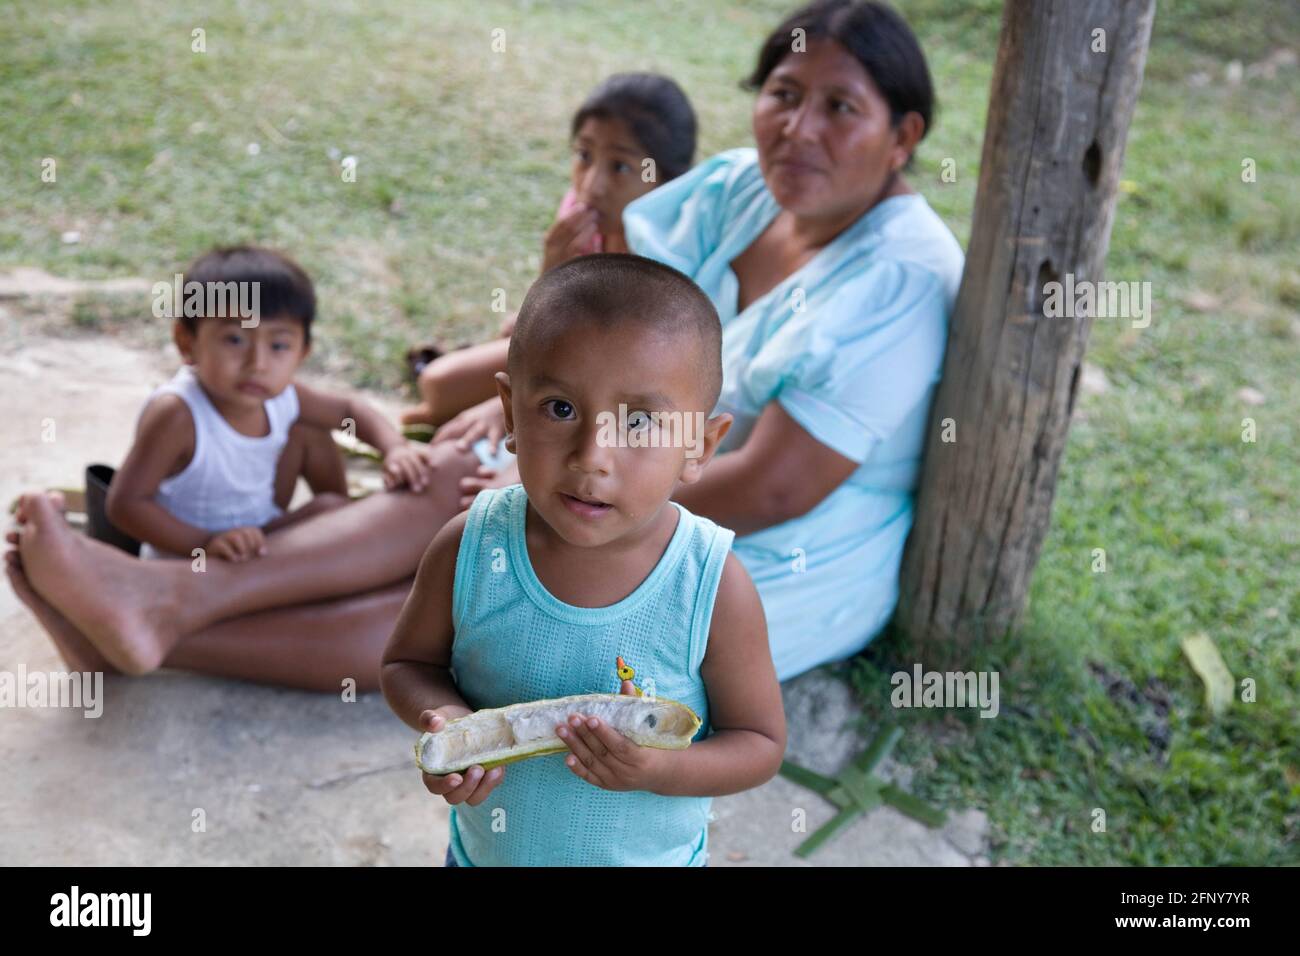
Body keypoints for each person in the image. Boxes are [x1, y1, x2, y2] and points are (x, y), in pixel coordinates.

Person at [457, 0, 967, 680]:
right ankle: (263, 574)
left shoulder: (901, 277)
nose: (799, 129)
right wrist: (518, 425)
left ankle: (267, 609)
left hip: (769, 551)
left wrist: (554, 502)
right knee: (450, 503)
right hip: (627, 473)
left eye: (840, 108)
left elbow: (774, 488)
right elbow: (610, 337)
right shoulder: (741, 189)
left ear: (902, 136)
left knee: (490, 605)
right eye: (783, 95)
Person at [381, 254, 785, 866]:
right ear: (511, 413)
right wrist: (451, 725)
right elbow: (407, 664)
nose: (593, 455)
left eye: (641, 421)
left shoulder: (710, 584)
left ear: (698, 446)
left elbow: (758, 744)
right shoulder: (471, 546)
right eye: (561, 409)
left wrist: (656, 769)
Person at [399, 72, 697, 431]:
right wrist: (550, 271)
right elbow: (544, 321)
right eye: (584, 155)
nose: (592, 185)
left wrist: (504, 404)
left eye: (620, 167)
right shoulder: (582, 217)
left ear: (670, 181)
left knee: (440, 389)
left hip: (601, 392)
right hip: (558, 350)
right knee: (438, 382)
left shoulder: (669, 260)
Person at [107, 245, 438, 563]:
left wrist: (395, 448)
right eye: (235, 339)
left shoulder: (283, 395)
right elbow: (125, 504)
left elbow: (349, 410)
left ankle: (344, 532)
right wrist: (204, 544)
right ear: (187, 342)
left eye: (278, 345)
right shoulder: (178, 413)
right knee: (323, 503)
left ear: (302, 353)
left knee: (320, 467)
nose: (257, 363)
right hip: (190, 561)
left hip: (261, 534)